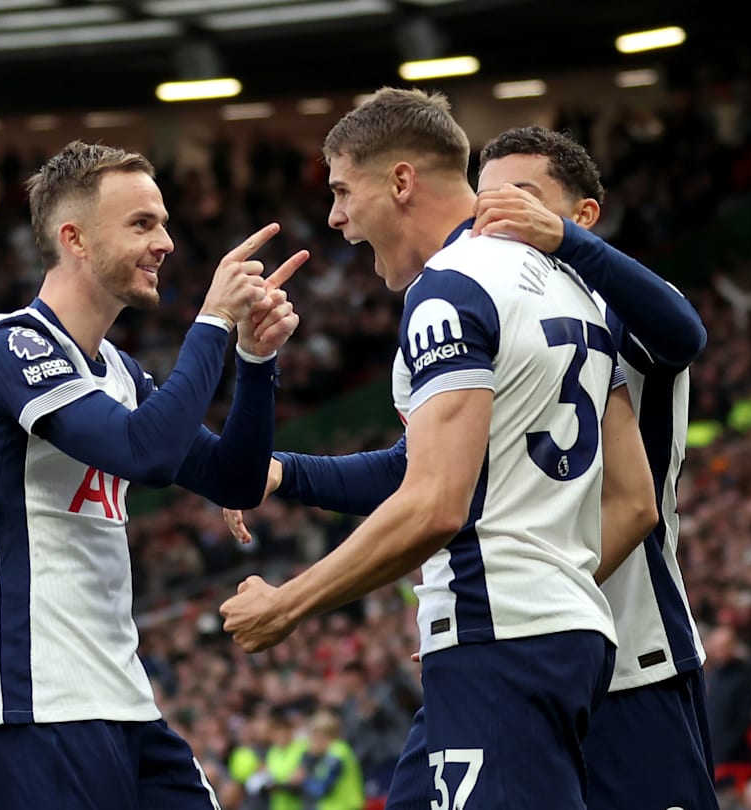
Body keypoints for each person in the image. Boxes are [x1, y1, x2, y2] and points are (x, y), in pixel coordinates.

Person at [218, 89, 652, 808]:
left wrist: (289, 604)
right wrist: (282, 473)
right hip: (557, 631)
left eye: (340, 190)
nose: (335, 218)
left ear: (400, 182)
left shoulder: (449, 292)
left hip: (502, 638)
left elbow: (434, 504)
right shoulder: (568, 284)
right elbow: (625, 497)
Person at [0, 140, 306, 809]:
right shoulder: (12, 347)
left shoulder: (115, 370)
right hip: (41, 700)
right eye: (142, 224)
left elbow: (231, 480)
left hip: (121, 695)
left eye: (164, 223)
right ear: (75, 239)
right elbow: (142, 454)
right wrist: (210, 322)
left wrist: (255, 362)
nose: (166, 242)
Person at [472, 125, 716, 810]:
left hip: (636, 656)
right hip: (530, 664)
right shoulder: (484, 313)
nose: (498, 214)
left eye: (522, 197)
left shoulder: (618, 300)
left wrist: (564, 246)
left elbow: (683, 334)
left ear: (582, 215)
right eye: (485, 200)